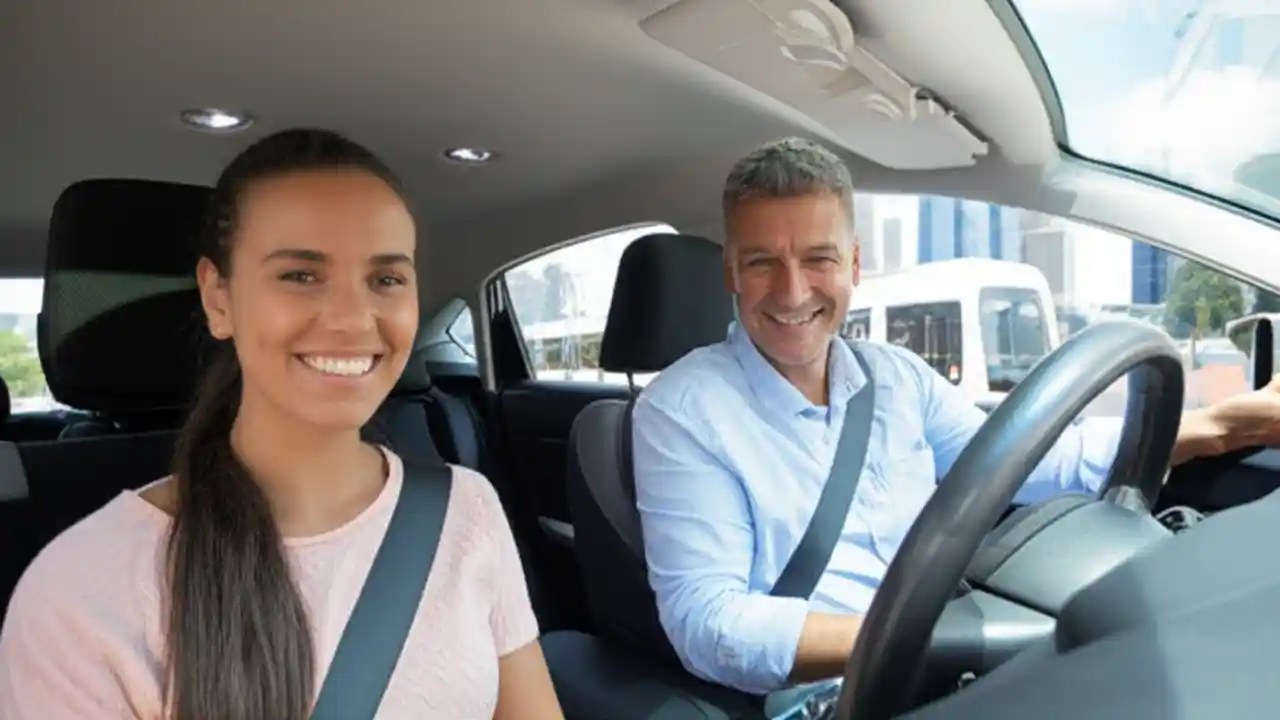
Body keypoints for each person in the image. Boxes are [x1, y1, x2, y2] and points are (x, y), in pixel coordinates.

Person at [631, 136, 1280, 695]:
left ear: (854, 265)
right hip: (845, 692)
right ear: (731, 273)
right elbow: (709, 623)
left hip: (947, 665)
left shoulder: (898, 377)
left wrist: (1227, 425)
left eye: (819, 258)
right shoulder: (682, 411)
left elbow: (1033, 461)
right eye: (762, 262)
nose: (794, 291)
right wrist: (918, 641)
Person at [0, 130, 564, 719]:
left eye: (386, 279)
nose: (352, 318)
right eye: (300, 275)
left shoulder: (467, 509)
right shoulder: (80, 594)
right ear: (218, 299)